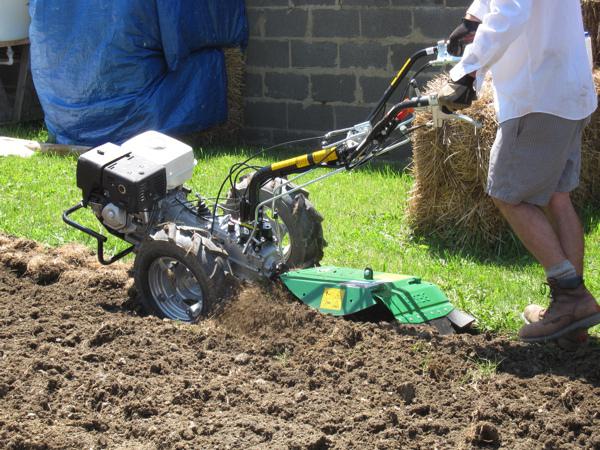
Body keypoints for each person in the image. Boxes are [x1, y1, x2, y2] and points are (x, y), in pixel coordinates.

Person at [437, 0, 600, 344]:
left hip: (537, 96)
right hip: (569, 88)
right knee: (558, 199)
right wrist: (473, 18)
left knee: (507, 195)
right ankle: (572, 321)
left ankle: (571, 296)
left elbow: (512, 12)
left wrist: (467, 70)